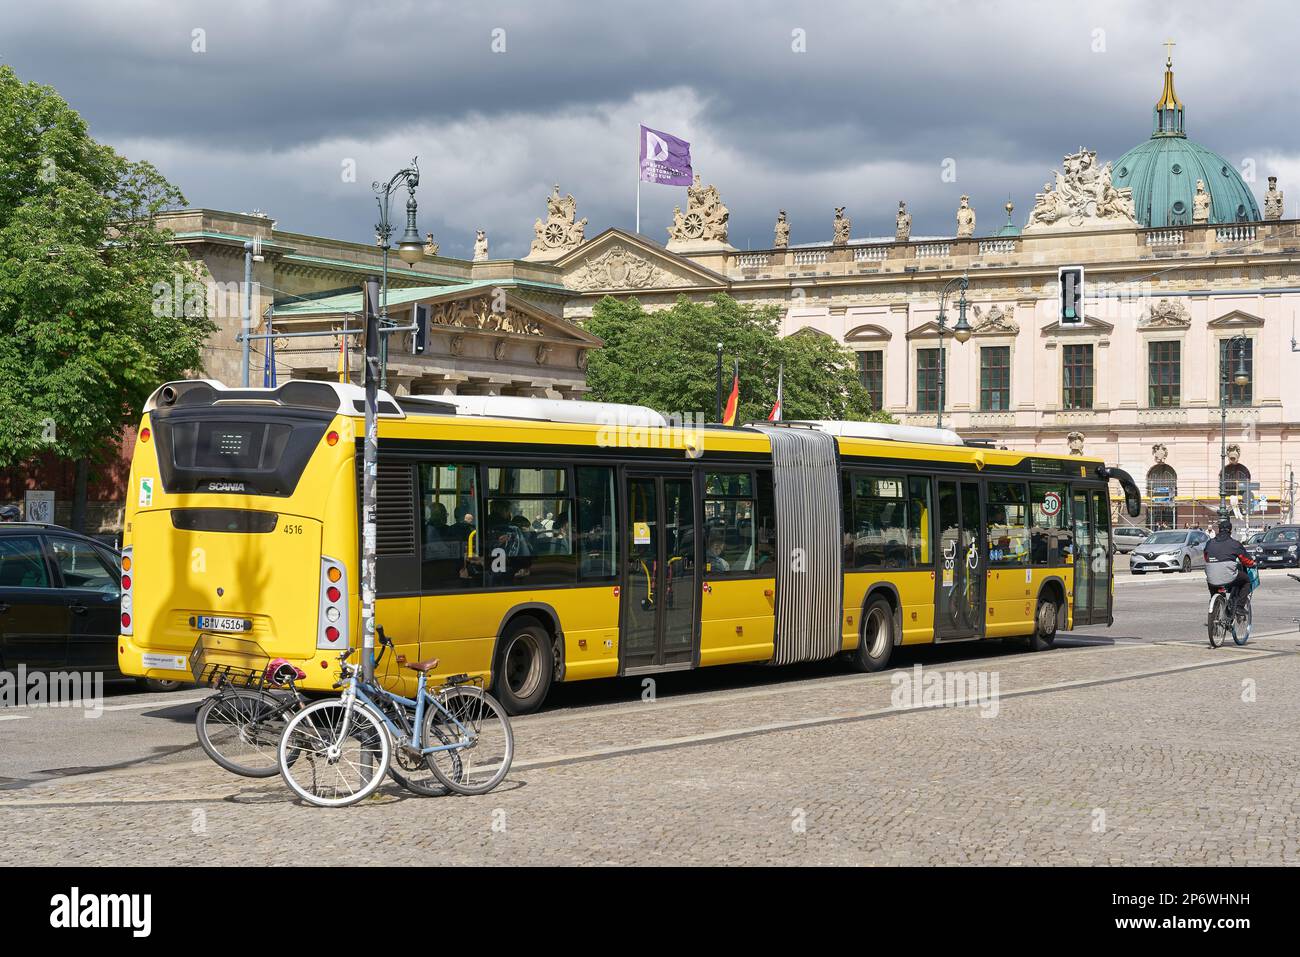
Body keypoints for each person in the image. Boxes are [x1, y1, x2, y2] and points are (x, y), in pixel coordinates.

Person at [1203, 518, 1255, 615]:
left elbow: (1206, 557)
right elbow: (1245, 560)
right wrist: (1252, 563)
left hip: (1211, 576)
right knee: (1246, 580)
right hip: (1228, 575)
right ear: (1230, 531)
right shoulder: (1234, 544)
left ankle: (1215, 603)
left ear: (1218, 530)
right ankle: (1239, 606)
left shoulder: (1209, 543)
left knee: (1213, 581)